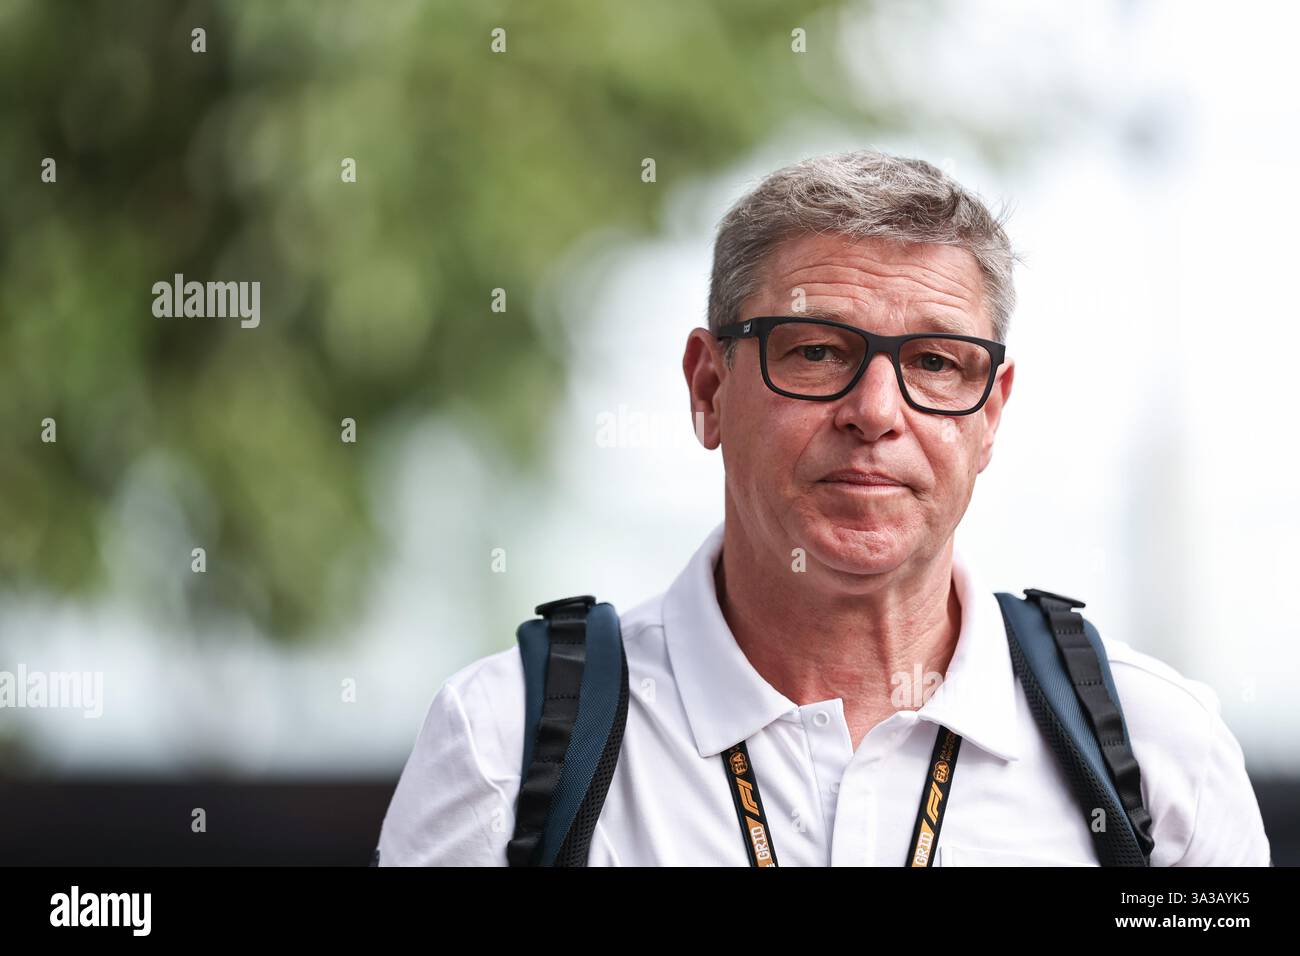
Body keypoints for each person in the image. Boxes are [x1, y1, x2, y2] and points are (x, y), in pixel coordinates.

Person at [375, 149, 1271, 866]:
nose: (877, 412)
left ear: (990, 414)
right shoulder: (506, 745)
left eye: (934, 363)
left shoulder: (1159, 760)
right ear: (708, 388)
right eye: (814, 352)